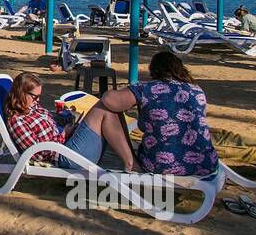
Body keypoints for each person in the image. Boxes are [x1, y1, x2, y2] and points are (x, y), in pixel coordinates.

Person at [88, 51, 220, 177]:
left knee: (109, 109)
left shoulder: (149, 88)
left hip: (161, 165)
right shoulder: (197, 90)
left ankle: (131, 164)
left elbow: (109, 100)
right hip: (206, 163)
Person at [3, 72, 136, 171]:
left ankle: (130, 158)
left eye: (39, 96)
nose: (38, 100)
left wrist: (66, 123)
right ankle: (131, 162)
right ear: (21, 93)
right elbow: (36, 153)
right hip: (65, 158)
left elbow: (48, 123)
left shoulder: (32, 107)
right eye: (34, 96)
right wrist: (63, 135)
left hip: (68, 146)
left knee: (110, 109)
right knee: (103, 107)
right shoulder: (17, 121)